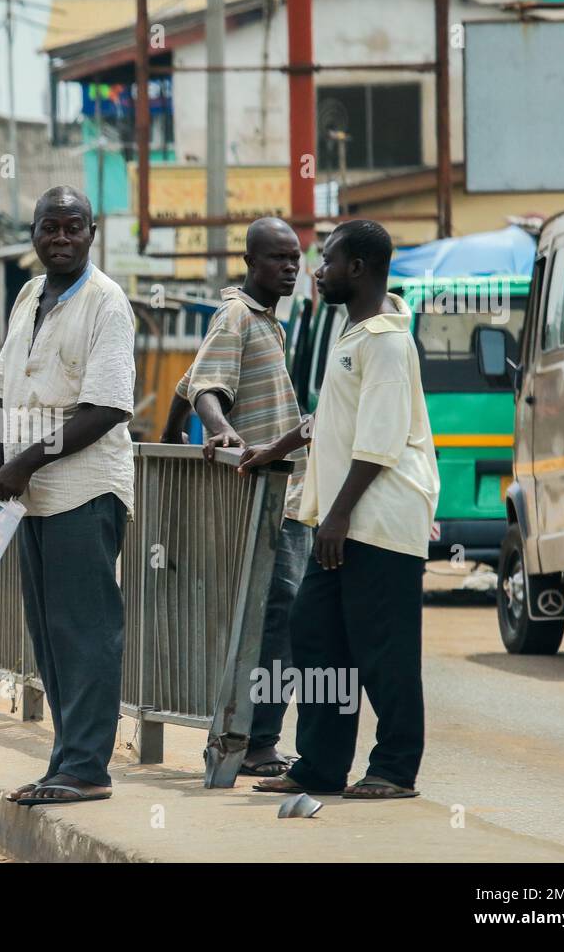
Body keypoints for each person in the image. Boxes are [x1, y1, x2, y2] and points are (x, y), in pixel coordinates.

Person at [241, 219, 439, 800]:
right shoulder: (354, 335)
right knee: (318, 637)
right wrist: (277, 448)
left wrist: (337, 516)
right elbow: (333, 421)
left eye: (326, 261)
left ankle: (395, 769)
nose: (315, 271)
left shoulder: (385, 342)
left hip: (377, 520)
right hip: (344, 519)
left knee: (385, 649)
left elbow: (378, 442)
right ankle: (322, 765)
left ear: (357, 269)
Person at [0, 185, 135, 806]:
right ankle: (67, 760)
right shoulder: (29, 296)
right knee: (47, 631)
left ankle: (89, 767)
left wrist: (25, 463)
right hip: (28, 498)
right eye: (49, 228)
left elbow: (108, 408)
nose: (60, 239)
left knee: (85, 630)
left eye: (73, 228)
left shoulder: (107, 303)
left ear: (93, 233)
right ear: (32, 233)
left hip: (84, 492)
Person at [158, 217, 311, 779]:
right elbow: (208, 388)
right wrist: (216, 428)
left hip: (288, 495)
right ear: (251, 262)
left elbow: (189, 380)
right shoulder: (238, 315)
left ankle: (251, 736)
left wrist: (172, 426)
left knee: (274, 617)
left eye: (295, 257)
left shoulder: (264, 321)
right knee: (283, 617)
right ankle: (257, 741)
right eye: (278, 258)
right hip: (269, 498)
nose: (290, 267)